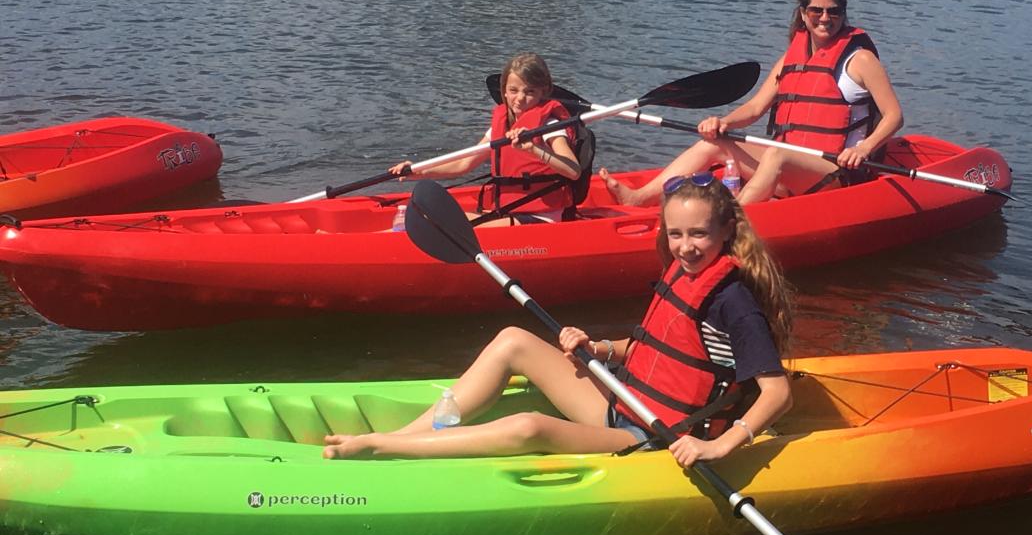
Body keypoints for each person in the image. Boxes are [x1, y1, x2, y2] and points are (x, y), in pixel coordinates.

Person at [323, 175, 794, 466]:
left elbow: (777, 391)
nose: (686, 245)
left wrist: (722, 446)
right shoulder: (682, 270)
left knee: (531, 427)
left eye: (699, 234)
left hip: (656, 435)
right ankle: (407, 433)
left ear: (727, 230)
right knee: (512, 339)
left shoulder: (734, 301)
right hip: (624, 400)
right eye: (676, 233)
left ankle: (383, 448)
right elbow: (657, 348)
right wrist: (600, 348)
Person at [601, 0, 903, 206]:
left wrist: (863, 148)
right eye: (817, 11)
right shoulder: (792, 58)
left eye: (834, 12)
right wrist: (725, 123)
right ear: (802, 13)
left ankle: (734, 225)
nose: (825, 19)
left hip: (833, 173)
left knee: (776, 156)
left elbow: (893, 116)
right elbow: (757, 108)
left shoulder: (860, 59)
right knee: (714, 144)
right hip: (790, 168)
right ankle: (639, 198)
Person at [390, 52, 582, 225]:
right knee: (423, 214)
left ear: (543, 91)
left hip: (540, 218)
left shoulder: (550, 125)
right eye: (514, 90)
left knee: (444, 227)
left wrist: (534, 149)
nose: (520, 98)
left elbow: (573, 171)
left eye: (530, 91)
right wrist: (417, 171)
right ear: (504, 91)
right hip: (508, 212)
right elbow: (463, 164)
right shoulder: (502, 125)